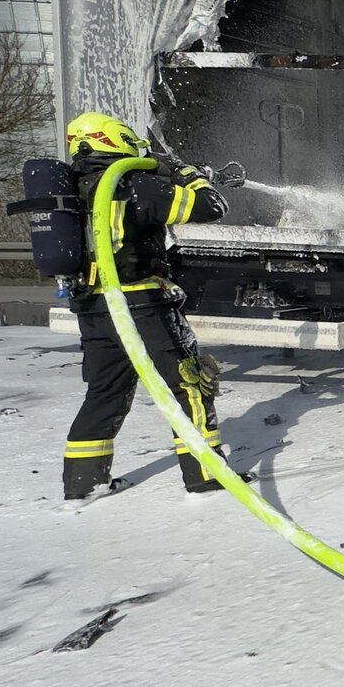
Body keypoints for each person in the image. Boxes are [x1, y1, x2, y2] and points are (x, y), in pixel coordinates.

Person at [59, 112, 232, 500]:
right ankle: (205, 475)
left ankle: (83, 485)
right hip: (141, 304)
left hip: (93, 308)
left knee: (105, 393)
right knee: (189, 385)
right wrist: (186, 174)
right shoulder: (136, 185)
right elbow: (211, 207)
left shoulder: (71, 189)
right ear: (116, 140)